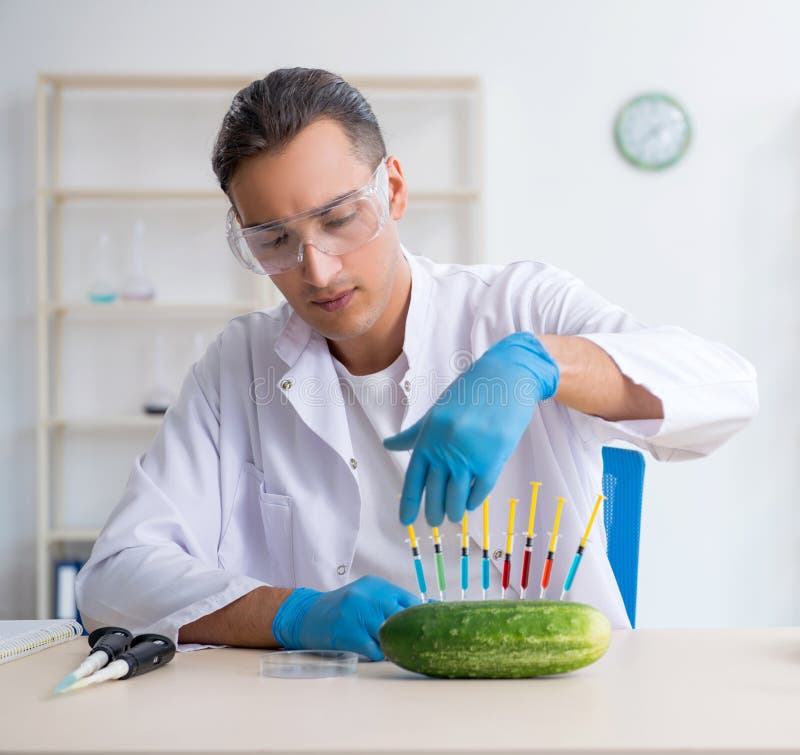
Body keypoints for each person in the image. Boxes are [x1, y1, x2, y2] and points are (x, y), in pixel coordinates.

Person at [76, 68, 758, 661]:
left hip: (547, 711)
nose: (317, 268)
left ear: (393, 190)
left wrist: (539, 362)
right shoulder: (240, 364)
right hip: (323, 710)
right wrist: (293, 613)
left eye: (339, 217)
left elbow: (729, 388)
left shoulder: (517, 306)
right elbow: (114, 579)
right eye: (276, 240)